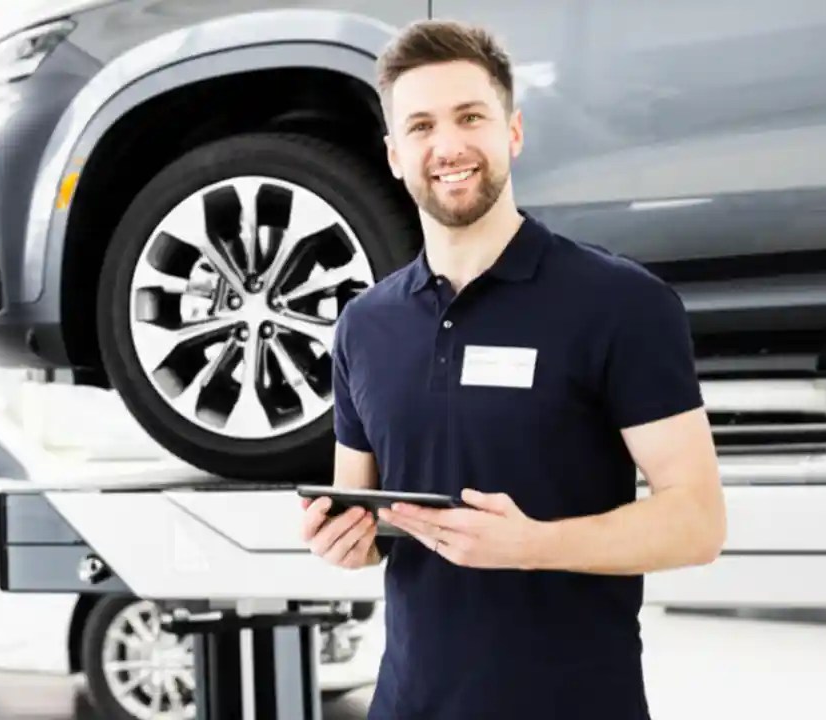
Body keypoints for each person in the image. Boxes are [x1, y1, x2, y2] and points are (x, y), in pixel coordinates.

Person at [299, 19, 727, 720]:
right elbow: (368, 518)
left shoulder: (621, 303)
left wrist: (535, 545)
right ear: (394, 156)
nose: (449, 145)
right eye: (422, 126)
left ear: (513, 132)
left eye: (471, 117)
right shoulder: (364, 327)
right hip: (410, 704)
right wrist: (346, 544)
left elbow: (698, 522)